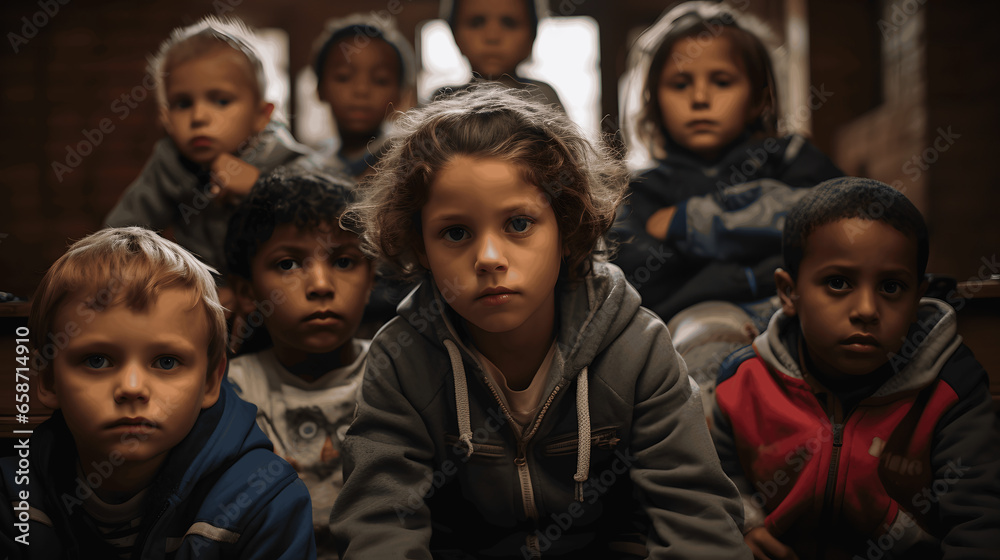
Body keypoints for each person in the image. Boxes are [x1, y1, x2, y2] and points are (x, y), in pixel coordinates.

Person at [329, 85, 752, 559]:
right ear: (421, 247)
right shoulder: (401, 359)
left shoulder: (638, 348)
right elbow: (380, 524)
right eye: (456, 232)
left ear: (567, 229)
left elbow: (698, 519)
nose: (489, 258)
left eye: (518, 224)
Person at [711, 177, 1000, 560]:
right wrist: (744, 526)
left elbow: (979, 526)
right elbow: (714, 484)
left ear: (917, 299)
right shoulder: (742, 381)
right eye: (838, 283)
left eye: (891, 287)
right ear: (788, 292)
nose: (866, 309)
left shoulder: (953, 389)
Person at [0, 227, 315, 559]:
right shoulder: (14, 499)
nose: (132, 388)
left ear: (211, 381)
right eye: (97, 360)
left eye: (166, 362)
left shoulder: (264, 501)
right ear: (48, 379)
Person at [614, 1, 843, 322]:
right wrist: (762, 250)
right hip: (694, 329)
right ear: (653, 101)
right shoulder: (640, 189)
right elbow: (638, 278)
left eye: (722, 82)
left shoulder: (792, 158)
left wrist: (692, 223)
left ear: (758, 98)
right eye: (680, 84)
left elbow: (836, 225)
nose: (700, 99)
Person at [224, 169, 375, 559]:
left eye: (344, 261)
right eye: (289, 264)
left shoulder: (395, 372)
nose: (321, 285)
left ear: (371, 279)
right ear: (247, 292)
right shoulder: (233, 392)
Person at [105, 16, 320, 285]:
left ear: (261, 115)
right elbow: (117, 235)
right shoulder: (171, 161)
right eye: (183, 104)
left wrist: (259, 187)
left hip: (280, 293)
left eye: (220, 101)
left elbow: (332, 215)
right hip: (204, 294)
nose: (198, 117)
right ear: (166, 118)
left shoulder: (285, 158)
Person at [312, 13, 416, 179]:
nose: (361, 90)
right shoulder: (310, 166)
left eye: (380, 80)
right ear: (319, 88)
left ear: (401, 94)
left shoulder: (410, 162)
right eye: (343, 77)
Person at [436, 0, 563, 110]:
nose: (492, 36)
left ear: (532, 36)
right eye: (476, 22)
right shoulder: (442, 100)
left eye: (509, 23)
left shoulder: (542, 98)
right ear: (454, 34)